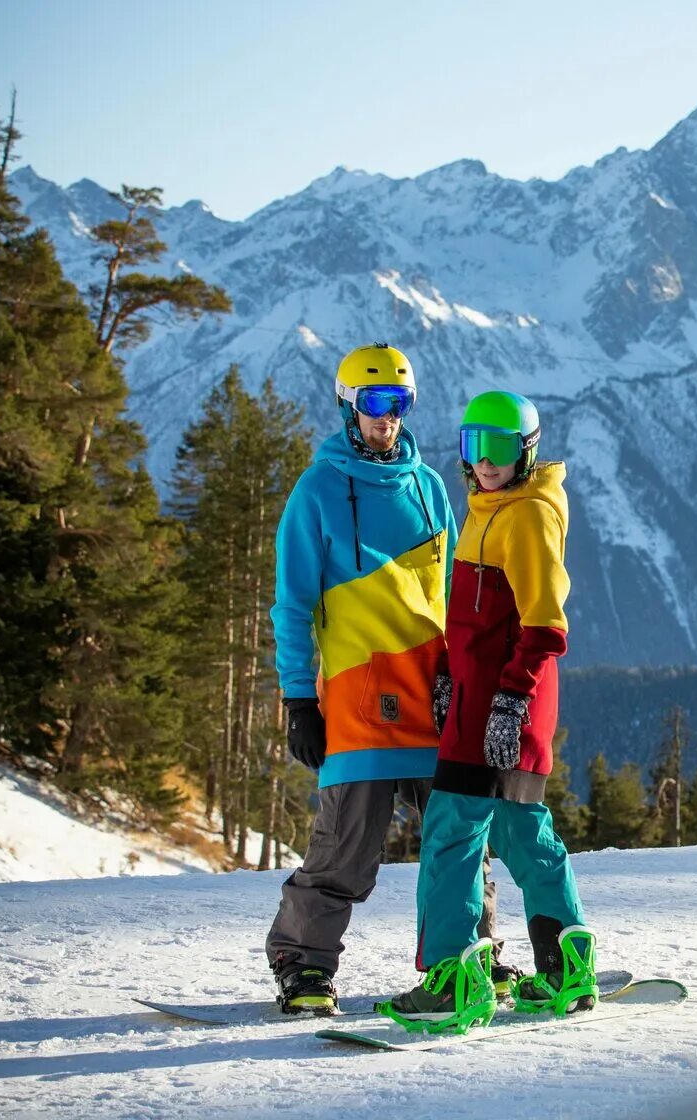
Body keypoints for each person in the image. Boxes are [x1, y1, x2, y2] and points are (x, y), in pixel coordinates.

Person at [267, 342, 501, 1014]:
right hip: (358, 699)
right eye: (373, 403)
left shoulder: (428, 489)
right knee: (347, 849)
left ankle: (466, 958)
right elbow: (292, 605)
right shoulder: (317, 493)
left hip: (432, 699)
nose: (386, 418)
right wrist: (296, 697)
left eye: (397, 404)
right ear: (348, 406)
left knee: (459, 840)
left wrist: (462, 669)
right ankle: (301, 961)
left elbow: (454, 596)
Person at [379, 390, 595, 1033]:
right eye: (476, 446)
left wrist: (509, 698)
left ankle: (452, 979)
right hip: (482, 700)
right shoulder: (483, 509)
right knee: (520, 832)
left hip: (503, 704)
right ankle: (566, 965)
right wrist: (448, 671)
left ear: (526, 450)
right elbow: (468, 616)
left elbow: (546, 623)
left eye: (500, 446)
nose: (487, 461)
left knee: (451, 831)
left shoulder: (528, 516)